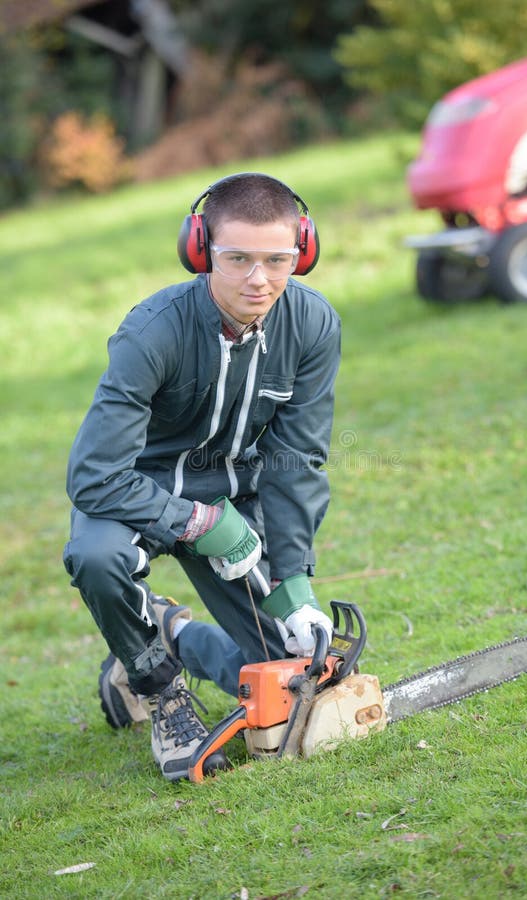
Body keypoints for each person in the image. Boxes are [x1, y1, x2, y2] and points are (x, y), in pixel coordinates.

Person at [63, 172, 341, 782]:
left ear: (304, 252)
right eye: (236, 258)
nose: (259, 279)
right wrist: (197, 522)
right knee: (97, 556)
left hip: (233, 497)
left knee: (285, 676)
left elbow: (297, 462)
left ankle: (172, 631)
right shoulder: (152, 332)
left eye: (277, 259)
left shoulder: (313, 325)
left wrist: (295, 585)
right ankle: (160, 691)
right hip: (134, 495)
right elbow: (93, 477)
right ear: (200, 249)